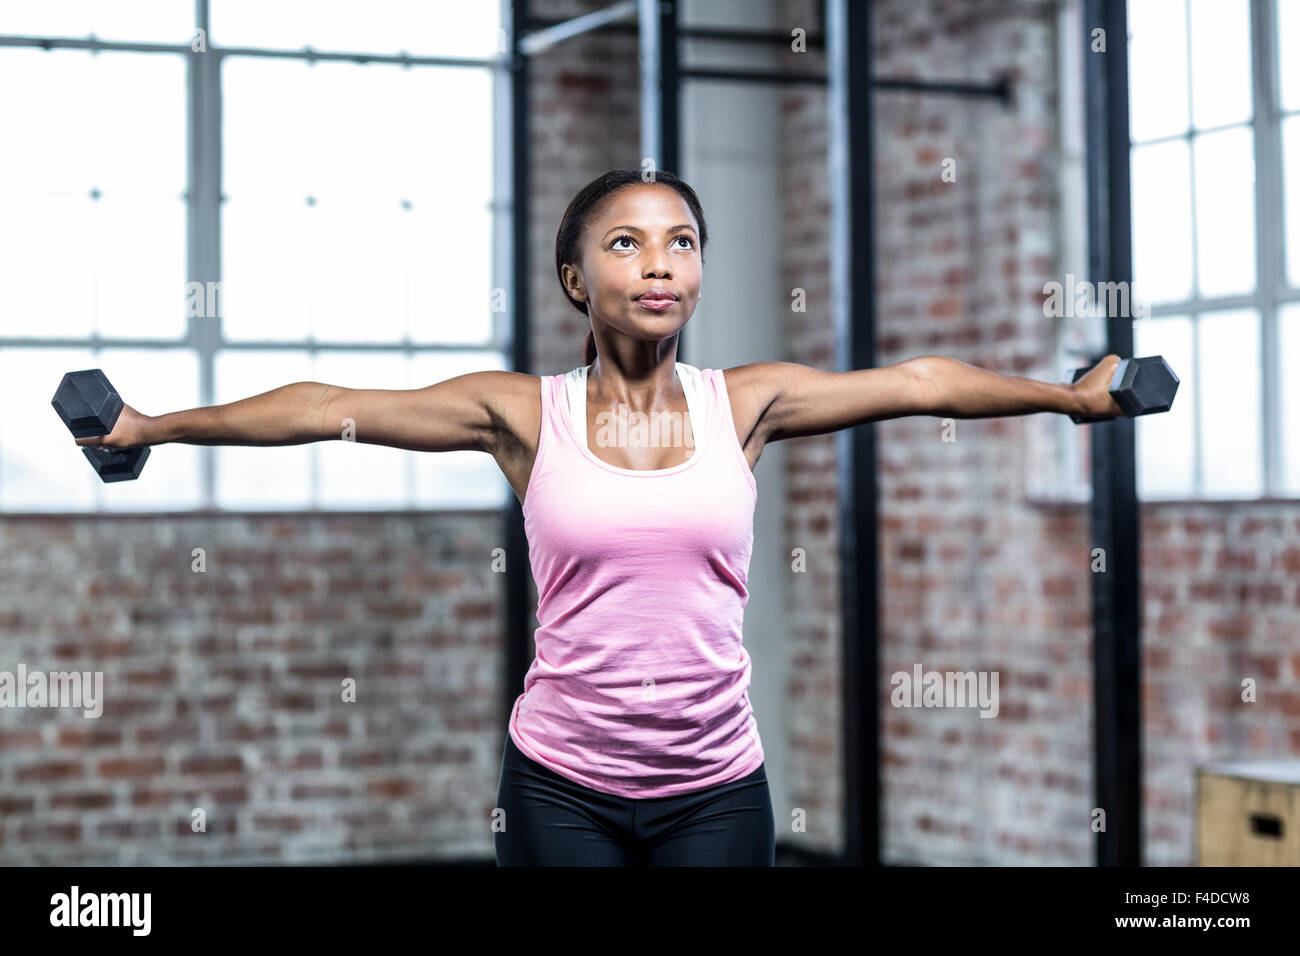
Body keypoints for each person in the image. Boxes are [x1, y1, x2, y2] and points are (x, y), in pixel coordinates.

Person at [75, 167, 1125, 867]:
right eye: (627, 243)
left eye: (681, 241)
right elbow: (325, 406)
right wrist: (155, 423)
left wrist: (1071, 398)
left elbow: (919, 382)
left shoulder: (745, 403)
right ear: (579, 278)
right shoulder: (524, 413)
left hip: (717, 786)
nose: (660, 261)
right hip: (560, 788)